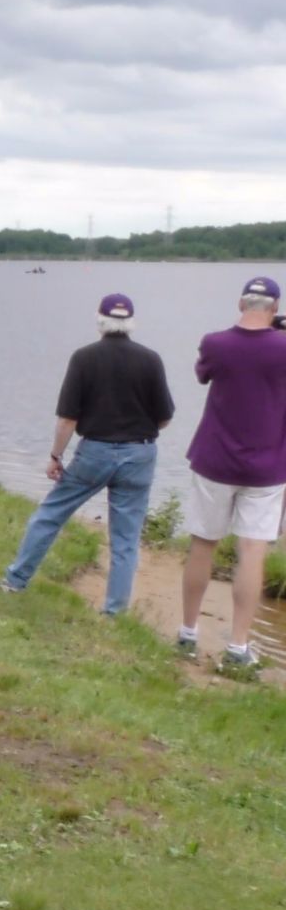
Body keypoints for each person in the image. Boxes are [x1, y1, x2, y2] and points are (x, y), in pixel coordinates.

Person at [0, 293, 173, 616]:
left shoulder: (84, 358)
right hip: (140, 453)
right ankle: (113, 612)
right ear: (131, 322)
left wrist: (55, 455)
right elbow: (164, 417)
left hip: (95, 451)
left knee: (51, 514)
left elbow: (68, 418)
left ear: (100, 320)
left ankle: (15, 580)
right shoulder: (151, 360)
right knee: (125, 538)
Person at [175, 275, 286, 678]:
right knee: (252, 553)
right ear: (274, 309)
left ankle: (188, 634)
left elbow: (202, 374)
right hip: (268, 467)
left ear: (242, 305)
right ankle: (238, 646)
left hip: (215, 460)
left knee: (202, 544)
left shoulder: (215, 342)